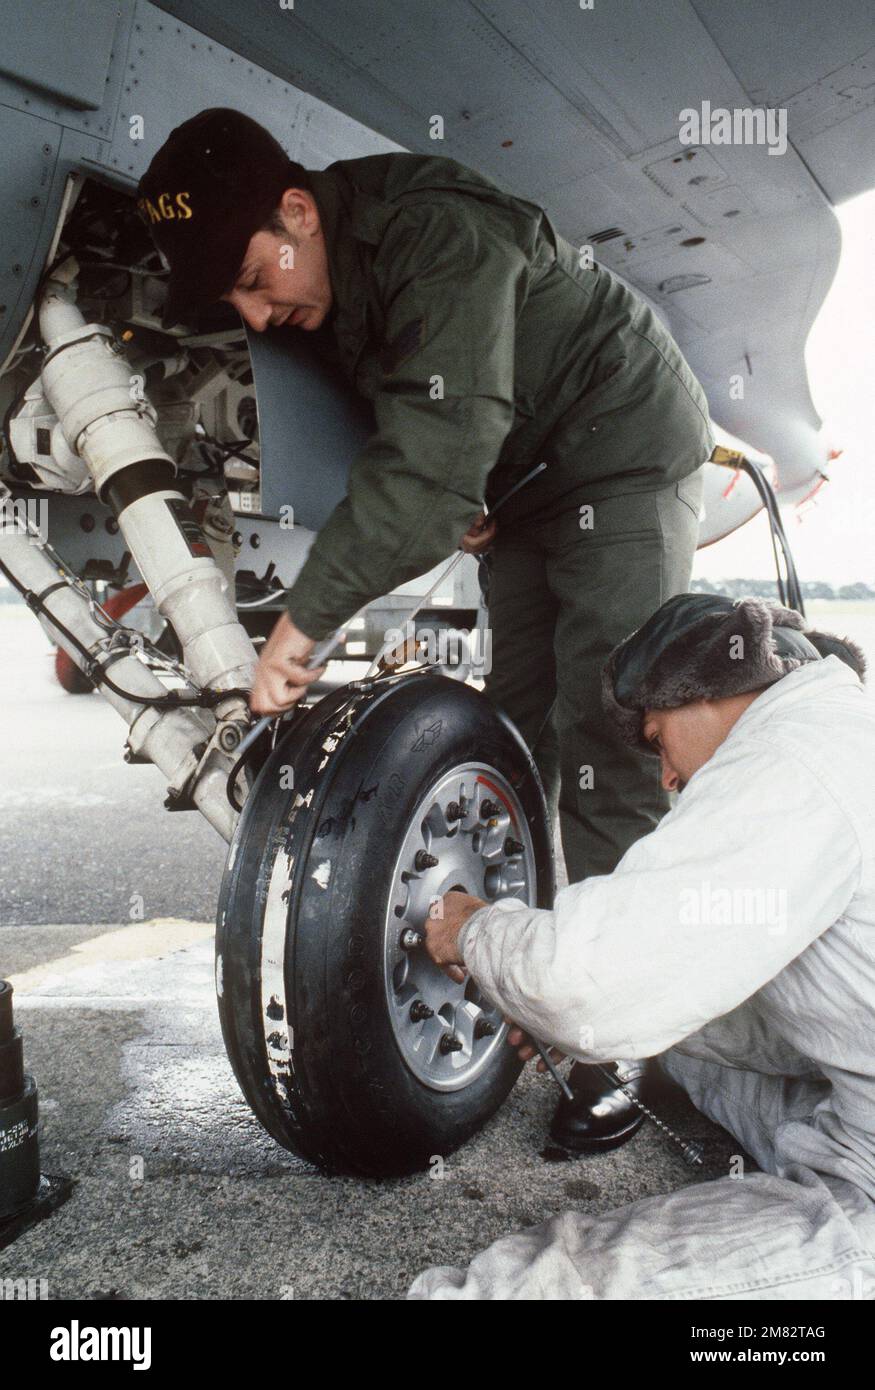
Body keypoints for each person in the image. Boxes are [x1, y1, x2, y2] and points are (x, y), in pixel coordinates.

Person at [138, 107, 713, 1146]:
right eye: (233, 298)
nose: (256, 316)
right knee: (523, 730)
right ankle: (541, 967)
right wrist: (470, 487)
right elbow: (436, 433)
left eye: (253, 277)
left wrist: (301, 627)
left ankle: (623, 1027)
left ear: (299, 212)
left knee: (606, 731)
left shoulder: (435, 235)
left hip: (620, 452)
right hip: (531, 487)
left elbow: (430, 462)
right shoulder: (330, 273)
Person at [411, 592, 875, 1299]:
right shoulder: (835, 728)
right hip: (851, 1084)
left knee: (540, 1288)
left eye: (656, 738)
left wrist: (473, 929)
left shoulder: (789, 761)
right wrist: (604, 1031)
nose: (663, 777)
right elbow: (802, 1003)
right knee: (678, 1051)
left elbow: (582, 980)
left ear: (706, 691)